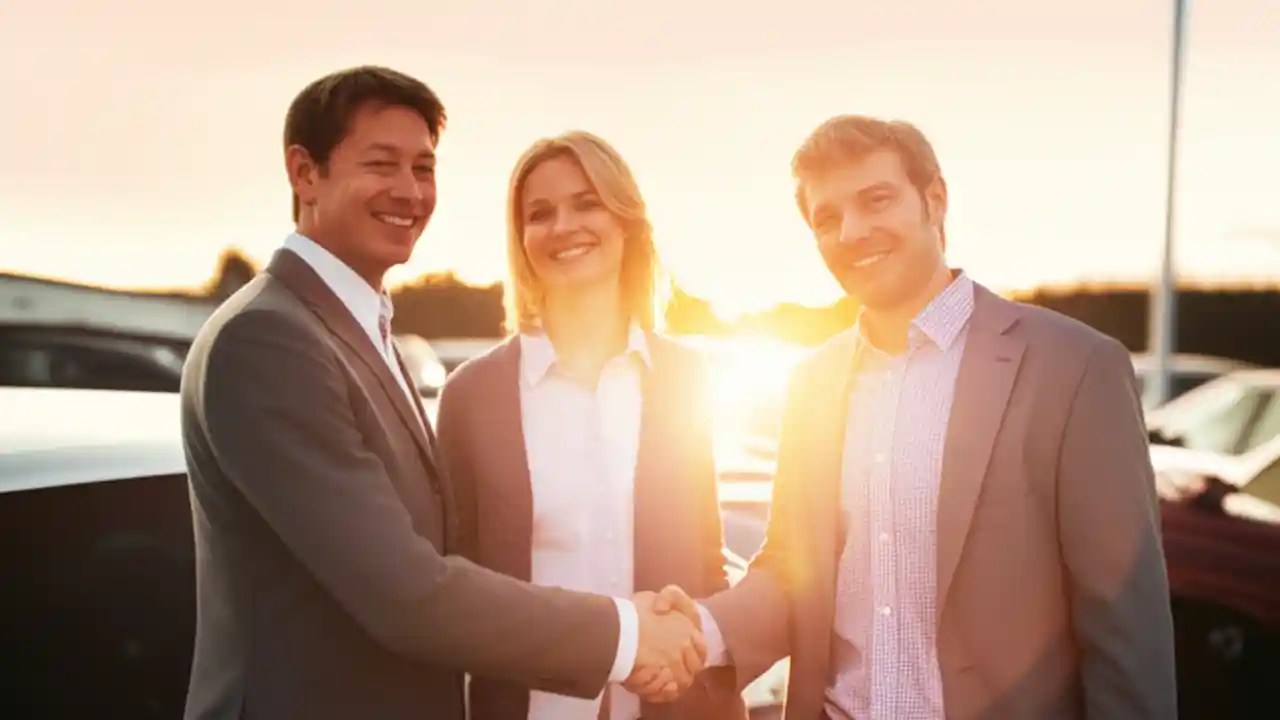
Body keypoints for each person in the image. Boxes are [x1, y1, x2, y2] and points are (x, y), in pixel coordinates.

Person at [179, 66, 704, 720]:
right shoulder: (267, 339)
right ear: (305, 173)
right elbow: (406, 592)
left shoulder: (356, 329)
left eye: (423, 169)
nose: (408, 191)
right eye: (381, 164)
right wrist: (625, 635)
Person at [658, 114, 1178, 719]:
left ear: (935, 200)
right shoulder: (812, 383)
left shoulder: (1075, 368)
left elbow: (1125, 624)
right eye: (827, 218)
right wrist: (701, 628)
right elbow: (791, 571)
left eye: (875, 200)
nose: (852, 231)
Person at [435, 130, 745, 720]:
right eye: (540, 214)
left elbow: (706, 561)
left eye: (587, 203)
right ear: (521, 240)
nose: (563, 226)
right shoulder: (472, 397)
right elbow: (456, 589)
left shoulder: (685, 378)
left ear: (627, 222)